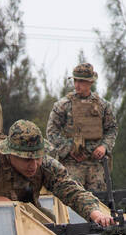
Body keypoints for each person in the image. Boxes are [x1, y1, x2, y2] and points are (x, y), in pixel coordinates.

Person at [0, 119, 115, 227]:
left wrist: (96, 214)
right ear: (10, 154)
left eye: (37, 157)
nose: (34, 165)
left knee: (51, 225)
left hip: (24, 219)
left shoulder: (45, 165)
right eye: (27, 159)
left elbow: (72, 191)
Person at [45, 62, 118, 194]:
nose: (77, 85)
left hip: (96, 165)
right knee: (73, 201)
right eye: (75, 80)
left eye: (82, 81)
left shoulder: (103, 105)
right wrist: (69, 148)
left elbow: (111, 129)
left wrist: (103, 147)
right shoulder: (63, 105)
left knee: (100, 203)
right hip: (72, 164)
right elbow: (51, 131)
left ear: (90, 82)